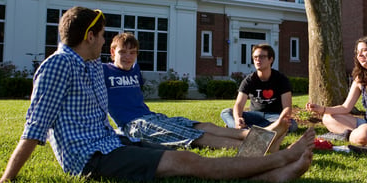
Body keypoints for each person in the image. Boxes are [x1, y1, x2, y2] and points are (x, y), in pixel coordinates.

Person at [0, 7, 314, 183]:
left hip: (112, 143)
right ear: (89, 36)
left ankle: (272, 173)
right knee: (190, 158)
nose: (105, 43)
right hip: (91, 158)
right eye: (102, 38)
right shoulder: (59, 66)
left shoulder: (90, 65)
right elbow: (35, 128)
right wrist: (5, 178)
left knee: (209, 137)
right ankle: (278, 159)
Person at [103, 32, 289, 151]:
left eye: (132, 52)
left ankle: (264, 135)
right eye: (123, 52)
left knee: (200, 125)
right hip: (135, 125)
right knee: (195, 136)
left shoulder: (135, 70)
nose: (128, 57)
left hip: (153, 116)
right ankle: (257, 148)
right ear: (112, 52)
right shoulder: (103, 70)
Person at [220, 43, 298, 132]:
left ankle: (248, 129)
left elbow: (287, 107)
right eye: (255, 57)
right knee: (226, 112)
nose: (258, 60)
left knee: (292, 124)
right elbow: (239, 104)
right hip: (255, 115)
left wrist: (281, 120)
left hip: (274, 116)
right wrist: (238, 119)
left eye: (262, 57)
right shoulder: (249, 80)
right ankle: (247, 128)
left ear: (271, 59)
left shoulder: (281, 79)